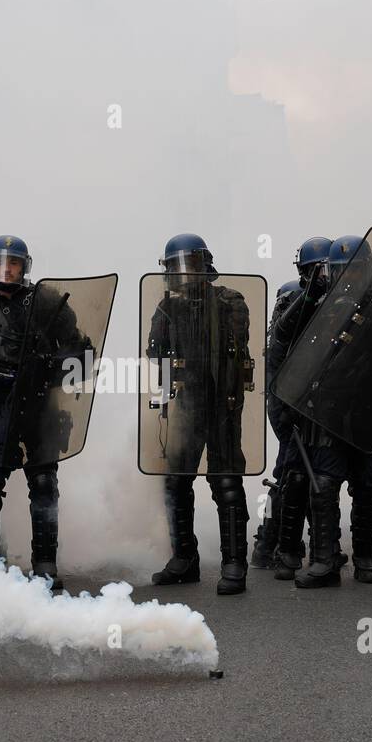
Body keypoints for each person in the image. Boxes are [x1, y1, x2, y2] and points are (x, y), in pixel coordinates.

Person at [0, 235, 94, 589]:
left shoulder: (47, 304)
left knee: (42, 484)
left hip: (38, 406)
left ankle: (44, 564)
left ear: (25, 267)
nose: (6, 270)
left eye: (13, 264)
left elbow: (83, 354)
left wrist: (46, 366)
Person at [269, 234, 372, 594]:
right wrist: (311, 295)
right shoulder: (319, 296)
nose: (347, 277)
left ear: (369, 267)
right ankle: (324, 561)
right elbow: (282, 340)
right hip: (326, 407)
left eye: (354, 270)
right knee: (323, 485)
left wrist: (368, 308)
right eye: (340, 271)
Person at [145, 233, 253, 595]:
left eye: (190, 264)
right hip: (187, 406)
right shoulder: (166, 308)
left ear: (205, 265)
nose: (184, 272)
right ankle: (184, 559)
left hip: (222, 405)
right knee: (175, 480)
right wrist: (159, 399)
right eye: (176, 266)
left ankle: (235, 563)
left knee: (226, 483)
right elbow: (156, 356)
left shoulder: (229, 301)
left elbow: (234, 350)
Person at [251, 277, 306, 571]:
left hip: (289, 412)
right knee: (290, 477)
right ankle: (269, 545)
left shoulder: (283, 333)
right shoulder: (284, 337)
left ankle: (272, 544)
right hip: (289, 413)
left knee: (290, 475)